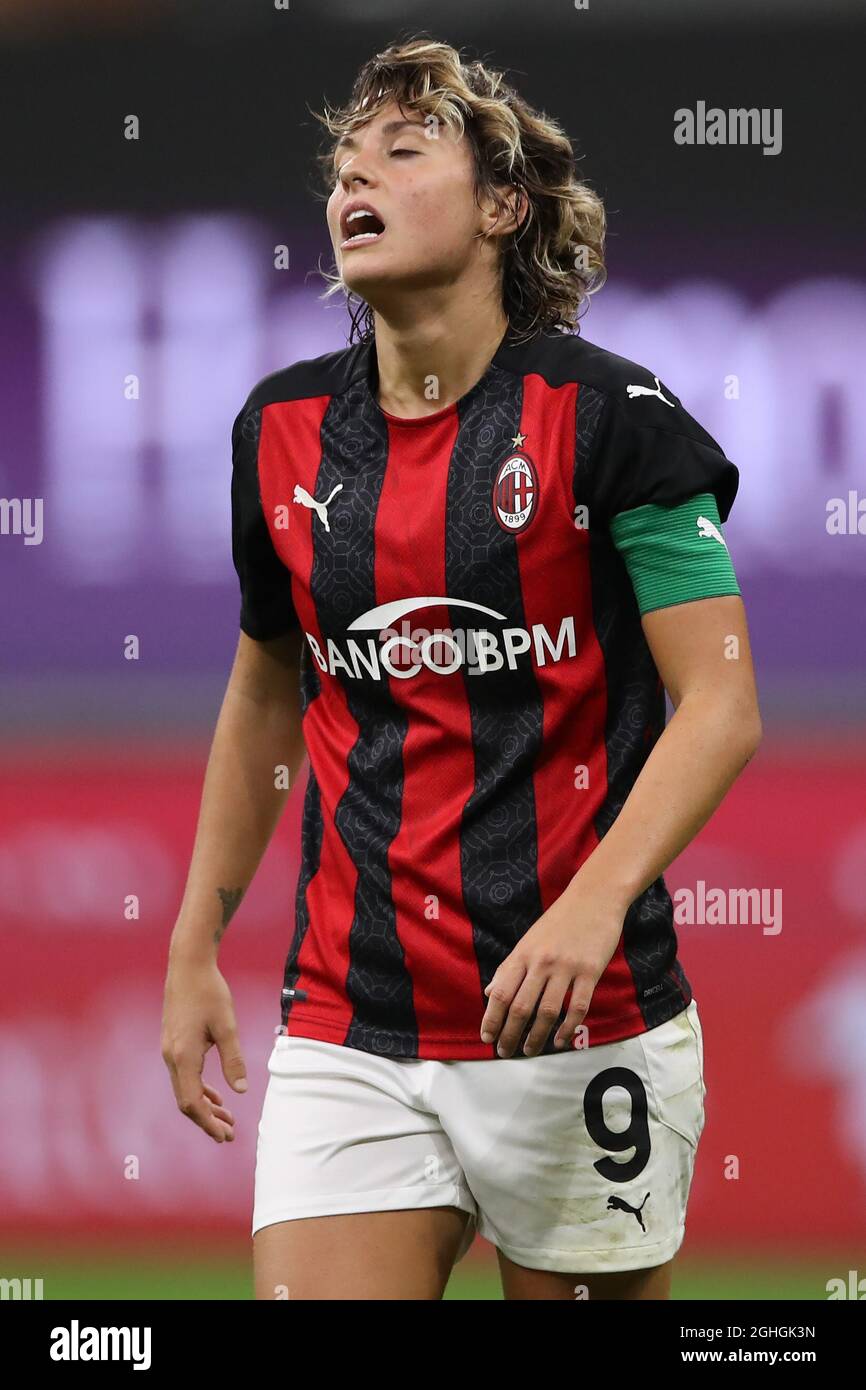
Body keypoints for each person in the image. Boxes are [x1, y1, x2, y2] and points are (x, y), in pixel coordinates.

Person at [161, 35, 761, 1301]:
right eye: (340, 160)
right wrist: (193, 941)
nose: (350, 179)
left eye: (399, 147)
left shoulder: (616, 422)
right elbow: (267, 694)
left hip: (575, 1020)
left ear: (501, 207)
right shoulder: (278, 432)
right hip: (349, 1017)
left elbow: (721, 705)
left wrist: (593, 903)